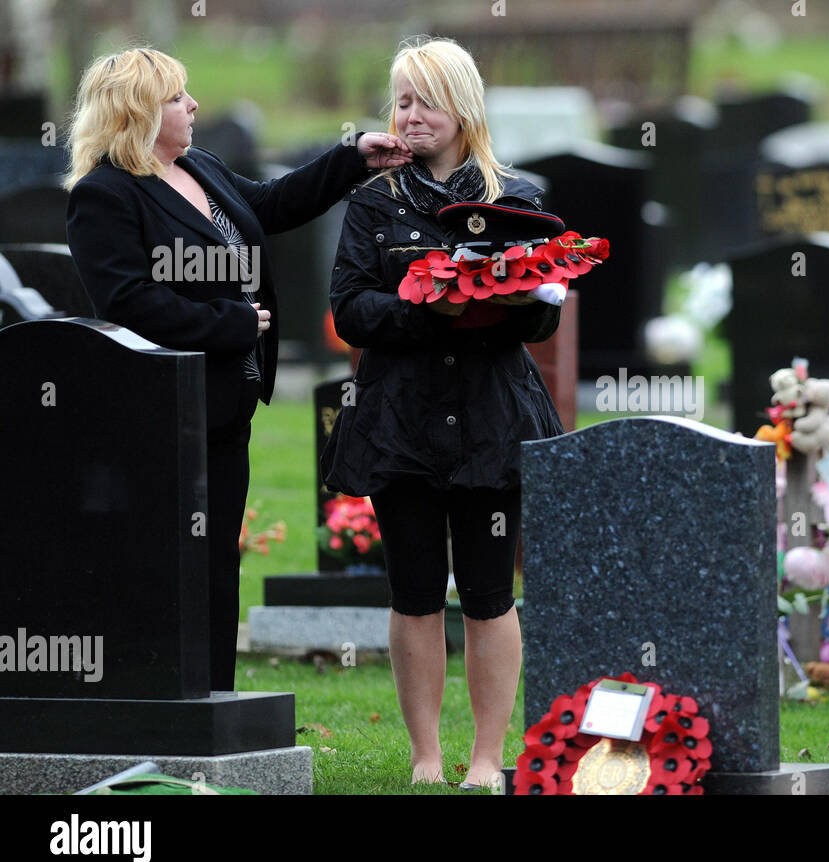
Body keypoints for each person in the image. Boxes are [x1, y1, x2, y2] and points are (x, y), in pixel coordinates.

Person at [63, 47, 413, 692]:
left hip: (227, 404)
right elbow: (126, 300)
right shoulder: (105, 194)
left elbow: (272, 206)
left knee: (217, 557)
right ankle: (159, 693)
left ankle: (212, 699)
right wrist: (227, 324)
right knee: (166, 558)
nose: (193, 105)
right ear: (136, 111)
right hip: (162, 410)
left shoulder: (199, 166)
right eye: (176, 98)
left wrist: (351, 158)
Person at [321, 36, 564, 788]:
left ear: (462, 108)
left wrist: (502, 299)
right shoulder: (371, 203)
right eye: (401, 100)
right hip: (403, 421)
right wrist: (430, 307)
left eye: (426, 100)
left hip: (491, 418)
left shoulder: (516, 198)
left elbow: (541, 320)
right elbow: (351, 310)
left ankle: (488, 760)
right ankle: (427, 758)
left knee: (490, 595)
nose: (411, 114)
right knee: (415, 592)